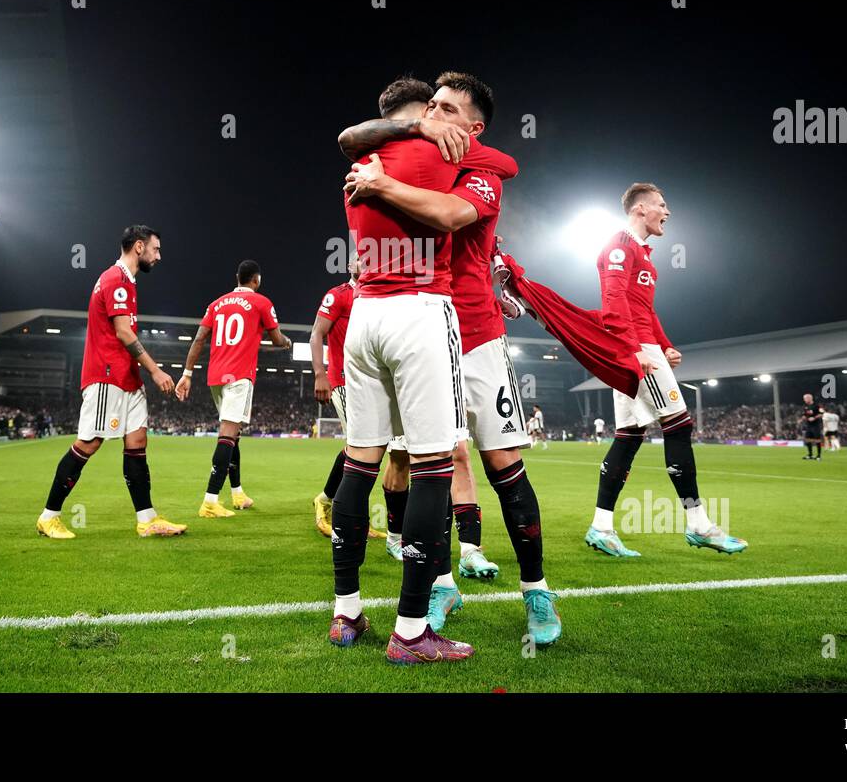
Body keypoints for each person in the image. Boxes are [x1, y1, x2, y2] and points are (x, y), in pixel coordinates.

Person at [341, 72, 559, 646]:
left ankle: (536, 589)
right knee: (433, 461)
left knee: (503, 463)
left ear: (474, 127)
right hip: (420, 330)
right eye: (430, 106)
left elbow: (463, 208)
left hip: (476, 334)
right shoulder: (411, 148)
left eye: (446, 109)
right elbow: (353, 138)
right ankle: (439, 584)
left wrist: (381, 184)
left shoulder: (482, 169)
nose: (432, 115)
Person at [585, 182, 747, 557]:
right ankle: (699, 525)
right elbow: (612, 299)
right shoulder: (619, 245)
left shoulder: (643, 254)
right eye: (661, 204)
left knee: (629, 436)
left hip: (643, 347)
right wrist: (633, 348)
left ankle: (601, 527)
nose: (667, 211)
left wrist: (665, 343)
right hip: (635, 350)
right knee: (679, 425)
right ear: (640, 209)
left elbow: (644, 309)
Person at [35, 225, 188, 540]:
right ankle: (49, 517)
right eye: (156, 249)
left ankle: (147, 519)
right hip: (108, 375)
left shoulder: (127, 281)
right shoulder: (115, 278)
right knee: (89, 443)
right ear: (138, 247)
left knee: (137, 443)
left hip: (127, 377)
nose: (159, 256)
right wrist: (156, 371)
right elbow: (123, 332)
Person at [175, 260, 292, 516]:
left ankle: (237, 493)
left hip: (216, 377)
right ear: (256, 280)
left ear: (237, 278)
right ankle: (210, 501)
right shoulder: (262, 302)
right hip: (239, 376)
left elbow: (199, 338)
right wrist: (287, 342)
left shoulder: (216, 304)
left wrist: (187, 373)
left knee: (233, 435)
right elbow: (276, 338)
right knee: (227, 435)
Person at [309, 259, 385, 541]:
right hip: (343, 381)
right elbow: (316, 334)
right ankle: (329, 504)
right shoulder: (338, 295)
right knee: (360, 447)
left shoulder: (378, 297)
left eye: (368, 258)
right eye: (358, 257)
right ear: (350, 265)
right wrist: (320, 374)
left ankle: (347, 513)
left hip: (373, 382)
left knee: (370, 449)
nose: (362, 262)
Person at [800, 393, 824, 460]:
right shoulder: (805, 406)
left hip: (816, 425)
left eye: (805, 398)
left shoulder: (817, 405)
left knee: (817, 440)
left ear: (809, 398)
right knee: (808, 440)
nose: (804, 400)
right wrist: (802, 418)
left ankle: (818, 456)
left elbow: (821, 414)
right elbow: (805, 415)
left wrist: (814, 418)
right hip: (808, 425)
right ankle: (810, 455)